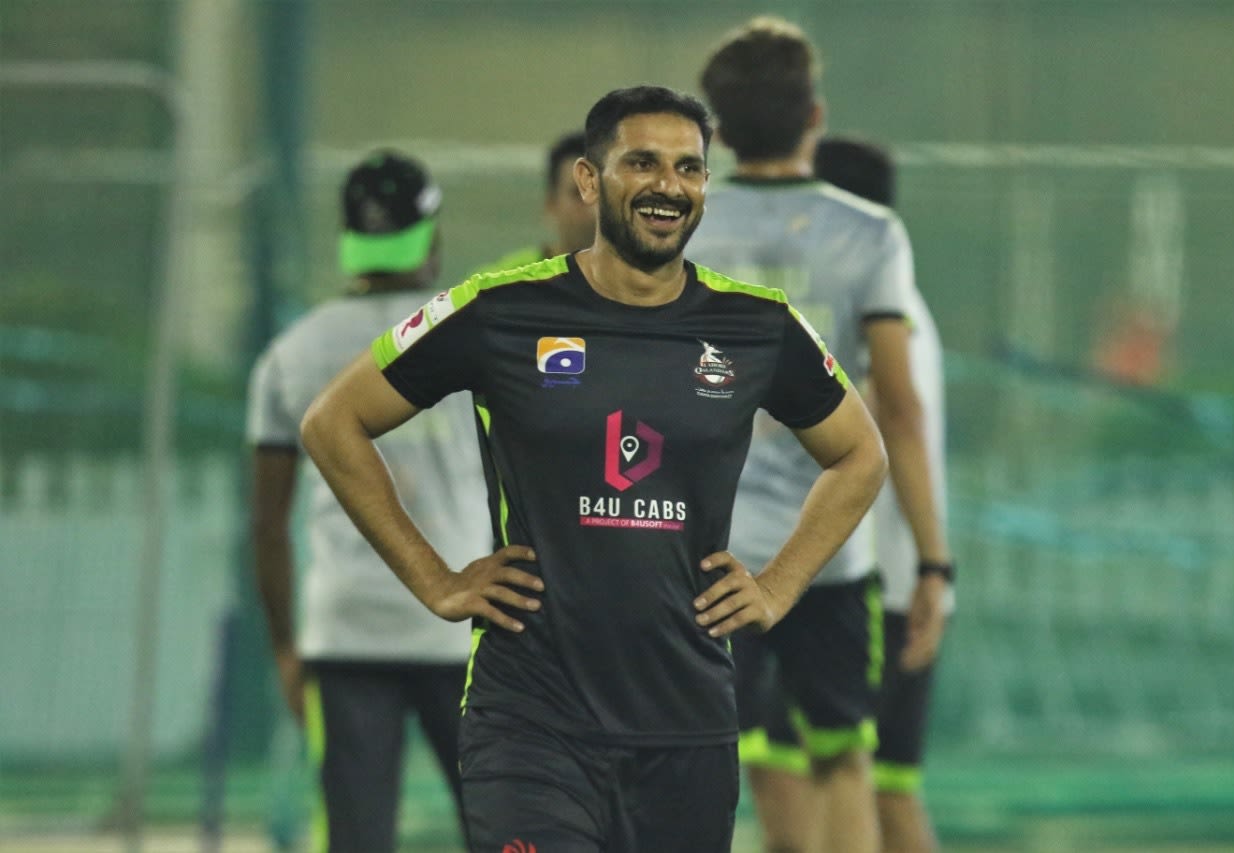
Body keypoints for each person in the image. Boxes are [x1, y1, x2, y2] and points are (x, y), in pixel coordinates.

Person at [298, 85, 889, 853]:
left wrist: (778, 586)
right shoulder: (498, 310)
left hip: (688, 724)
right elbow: (333, 423)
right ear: (588, 180)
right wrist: (435, 579)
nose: (668, 185)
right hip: (530, 722)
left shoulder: (758, 324)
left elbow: (861, 453)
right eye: (642, 162)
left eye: (688, 168)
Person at [688, 18, 953, 853]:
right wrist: (934, 561)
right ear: (814, 115)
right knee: (843, 758)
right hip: (832, 549)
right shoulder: (869, 233)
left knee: (686, 758)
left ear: (720, 130)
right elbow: (899, 409)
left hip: (702, 546)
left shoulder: (685, 225)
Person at [247, 150, 490, 852]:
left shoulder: (292, 353)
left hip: (345, 629)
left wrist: (285, 645)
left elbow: (266, 523)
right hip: (462, 628)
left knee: (355, 837)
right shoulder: (466, 334)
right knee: (504, 827)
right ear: (431, 236)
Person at [817, 135, 952, 853]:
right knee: (888, 790)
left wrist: (932, 563)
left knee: (841, 780)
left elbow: (893, 419)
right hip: (895, 582)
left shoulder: (876, 313)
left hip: (874, 588)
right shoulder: (903, 304)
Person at [473, 130, 596, 274]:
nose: (594, 210)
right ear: (551, 205)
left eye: (603, 193)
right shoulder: (504, 283)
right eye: (579, 194)